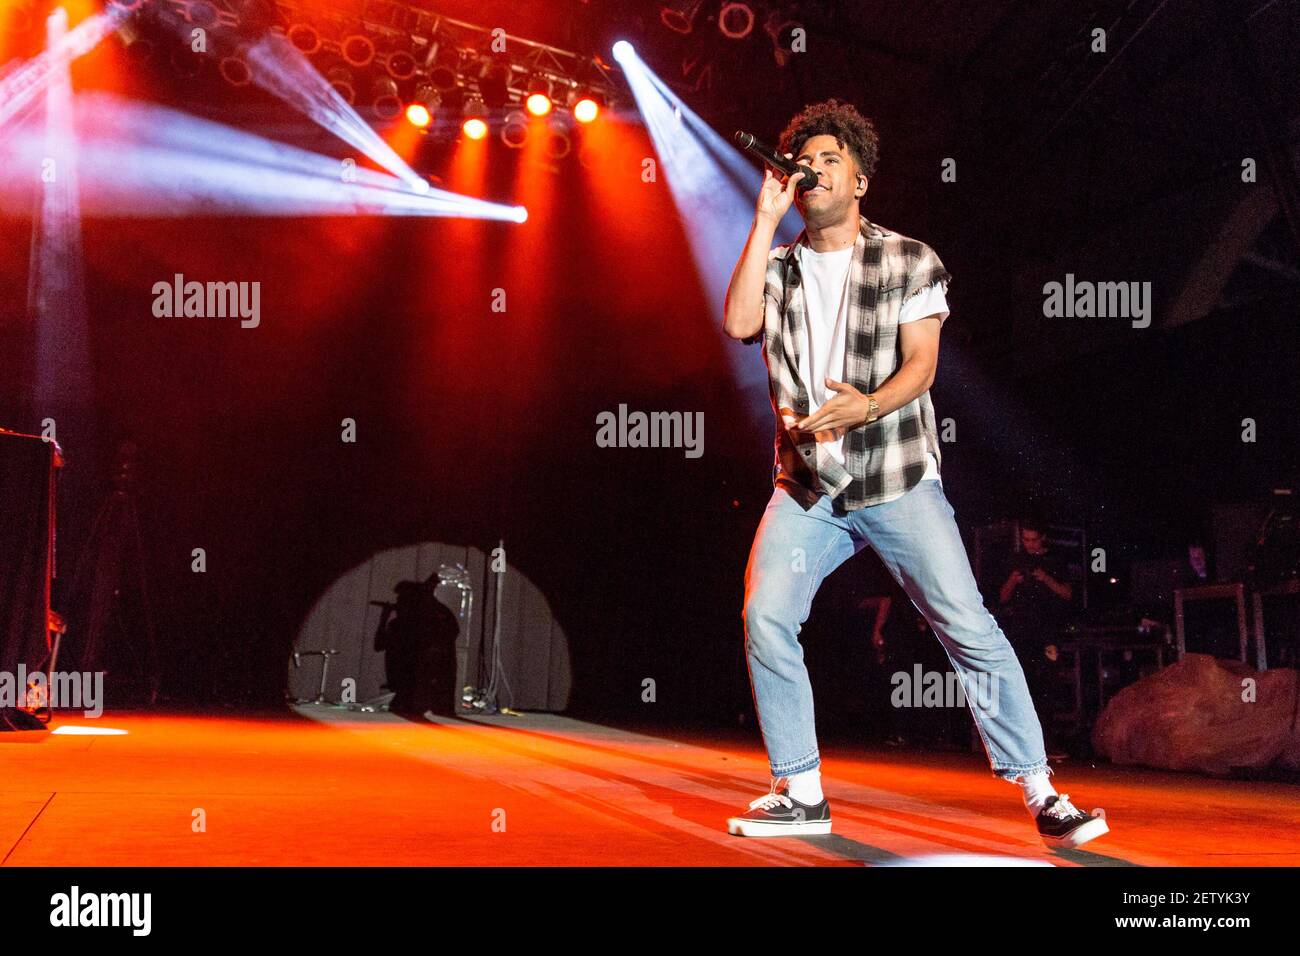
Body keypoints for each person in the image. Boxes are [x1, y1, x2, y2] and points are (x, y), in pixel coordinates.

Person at [720, 99, 1108, 848]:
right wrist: (764, 221)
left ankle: (1042, 790)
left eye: (830, 159)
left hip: (896, 477)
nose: (814, 169)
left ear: (859, 180)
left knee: (966, 625)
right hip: (808, 487)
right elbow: (738, 324)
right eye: (805, 160)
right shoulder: (780, 267)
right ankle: (799, 789)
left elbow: (922, 366)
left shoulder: (908, 258)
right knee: (765, 614)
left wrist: (864, 408)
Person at [997, 519, 1076, 714]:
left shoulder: (1056, 560)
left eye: (1034, 540)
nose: (1030, 544)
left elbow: (1067, 594)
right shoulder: (1016, 560)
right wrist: (1013, 580)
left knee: (1048, 681)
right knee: (1023, 680)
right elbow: (1003, 597)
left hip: (1048, 629)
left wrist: (1046, 578)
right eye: (1026, 540)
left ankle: (1049, 729)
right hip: (1022, 629)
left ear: (1043, 538)